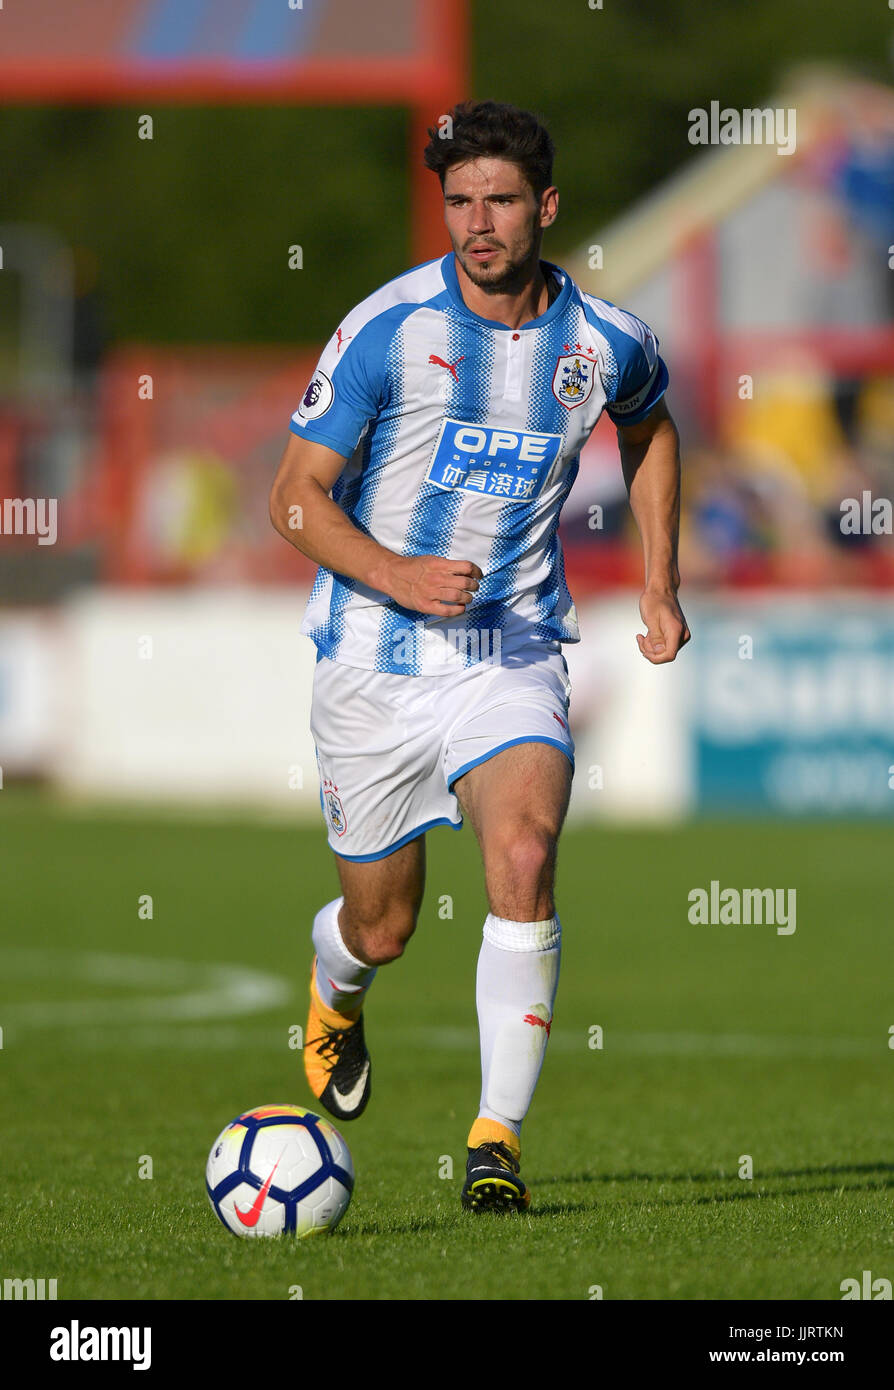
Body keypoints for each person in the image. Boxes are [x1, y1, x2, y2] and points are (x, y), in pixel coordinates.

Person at [269, 99, 689, 1213]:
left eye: (500, 200)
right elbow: (293, 499)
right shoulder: (388, 329)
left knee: (525, 855)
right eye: (459, 201)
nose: (477, 222)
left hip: (511, 646)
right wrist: (397, 572)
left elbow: (651, 426)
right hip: (374, 658)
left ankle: (495, 1139)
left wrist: (659, 579)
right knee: (385, 925)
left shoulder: (604, 341)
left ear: (545, 206)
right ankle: (336, 987)